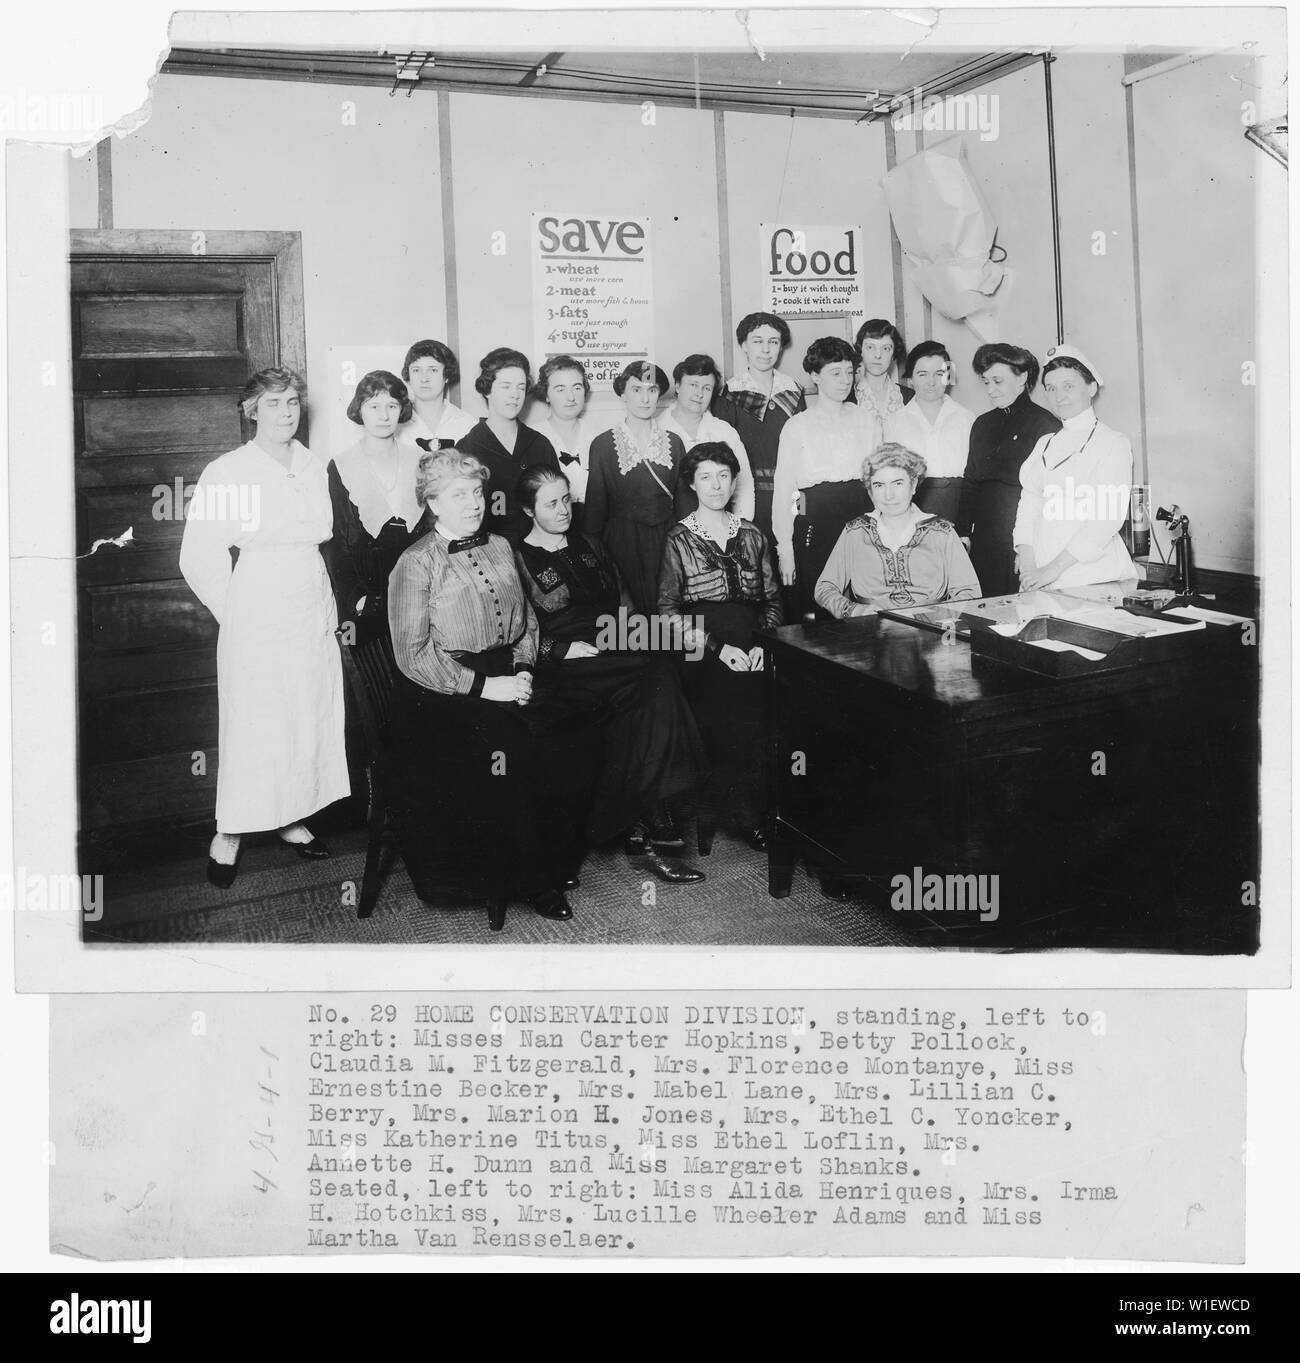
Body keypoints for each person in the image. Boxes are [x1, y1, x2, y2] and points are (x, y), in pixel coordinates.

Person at [385, 449, 579, 928]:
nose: (474, 503)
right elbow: (412, 655)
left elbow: (527, 621)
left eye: (476, 492)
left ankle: (551, 858)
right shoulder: (415, 563)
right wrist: (484, 687)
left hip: (506, 671)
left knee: (572, 723)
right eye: (459, 495)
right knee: (510, 746)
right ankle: (528, 879)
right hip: (441, 690)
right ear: (432, 503)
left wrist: (524, 669)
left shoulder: (498, 544)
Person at [179, 367, 348, 887]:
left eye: (293, 401)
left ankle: (291, 817)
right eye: (274, 404)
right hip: (256, 605)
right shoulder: (229, 471)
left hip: (309, 599)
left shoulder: (312, 464)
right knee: (255, 723)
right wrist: (240, 613)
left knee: (304, 714)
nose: (287, 412)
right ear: (252, 411)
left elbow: (322, 536)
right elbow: (199, 555)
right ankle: (229, 833)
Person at [514, 466, 706, 884]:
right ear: (529, 509)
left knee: (661, 675)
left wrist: (638, 637)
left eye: (566, 499)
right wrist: (562, 649)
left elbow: (626, 608)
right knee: (657, 677)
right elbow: (517, 631)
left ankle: (649, 828)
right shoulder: (516, 559)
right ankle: (656, 830)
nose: (564, 510)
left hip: (614, 648)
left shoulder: (592, 544)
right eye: (551, 503)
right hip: (565, 663)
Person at [658, 442, 782, 854]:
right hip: (700, 645)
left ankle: (762, 806)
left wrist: (765, 642)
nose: (715, 485)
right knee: (731, 707)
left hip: (753, 639)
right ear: (692, 484)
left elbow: (773, 599)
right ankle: (742, 813)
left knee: (774, 706)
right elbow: (668, 611)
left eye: (723, 476)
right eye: (706, 476)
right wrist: (718, 649)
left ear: (734, 482)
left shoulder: (752, 534)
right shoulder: (678, 538)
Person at [1013, 343, 1137, 591]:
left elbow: (1106, 521)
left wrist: (1050, 571)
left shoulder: (1112, 443)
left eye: (1068, 386)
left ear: (1091, 387)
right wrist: (1027, 559)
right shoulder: (1045, 444)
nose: (1059, 396)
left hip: (1091, 577)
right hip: (1039, 575)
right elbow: (1028, 506)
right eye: (1051, 388)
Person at [772, 337, 878, 618]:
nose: (845, 380)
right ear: (815, 376)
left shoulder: (865, 419)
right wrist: (787, 548)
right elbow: (789, 494)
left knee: (863, 605)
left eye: (849, 372)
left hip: (861, 521)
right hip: (815, 521)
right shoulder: (797, 426)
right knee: (819, 609)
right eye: (835, 373)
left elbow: (877, 480)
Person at [815, 443, 981, 618]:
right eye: (879, 485)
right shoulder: (855, 531)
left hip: (930, 634)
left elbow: (969, 593)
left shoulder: (942, 532)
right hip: (869, 634)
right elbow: (824, 588)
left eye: (898, 483)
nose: (888, 495)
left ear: (914, 484)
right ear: (870, 491)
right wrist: (852, 609)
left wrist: (927, 617)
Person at [324, 369, 426, 641]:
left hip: (418, 587)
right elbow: (338, 541)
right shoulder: (342, 464)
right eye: (374, 406)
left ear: (401, 410)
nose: (384, 416)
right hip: (367, 590)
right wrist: (357, 596)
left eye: (392, 406)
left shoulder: (420, 459)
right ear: (360, 410)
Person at [584, 360, 691, 615]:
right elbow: (595, 512)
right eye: (636, 389)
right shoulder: (602, 445)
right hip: (621, 543)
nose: (645, 398)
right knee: (629, 619)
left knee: (670, 613)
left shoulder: (674, 443)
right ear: (622, 394)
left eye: (652, 390)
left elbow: (686, 505)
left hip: (667, 540)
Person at [955, 342, 1061, 597]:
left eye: (997, 381)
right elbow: (970, 482)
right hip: (983, 539)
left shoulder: (1046, 425)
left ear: (1022, 377)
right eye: (986, 382)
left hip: (1021, 541)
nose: (990, 390)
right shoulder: (981, 424)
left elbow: (1050, 499)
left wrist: (1028, 550)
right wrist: (961, 534)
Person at [712, 311, 806, 548]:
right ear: (744, 345)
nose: (766, 350)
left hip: (792, 493)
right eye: (757, 341)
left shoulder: (793, 391)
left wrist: (803, 508)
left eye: (773, 342)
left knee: (796, 552)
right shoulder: (729, 394)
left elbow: (805, 455)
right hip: (750, 498)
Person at [456, 347, 559, 542]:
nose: (515, 394)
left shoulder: (539, 444)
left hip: (538, 549)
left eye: (521, 387)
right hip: (488, 553)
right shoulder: (466, 448)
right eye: (506, 386)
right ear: (487, 390)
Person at [884, 340, 974, 524]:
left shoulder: (968, 419)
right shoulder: (894, 422)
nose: (931, 382)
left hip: (958, 509)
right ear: (910, 378)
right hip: (910, 511)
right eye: (922, 374)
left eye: (939, 374)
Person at [659, 354, 754, 521]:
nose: (699, 394)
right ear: (678, 386)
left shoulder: (724, 431)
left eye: (707, 388)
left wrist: (741, 531)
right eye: (693, 385)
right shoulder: (657, 429)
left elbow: (744, 487)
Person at [528, 355, 596, 529]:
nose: (571, 397)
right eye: (560, 389)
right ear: (547, 395)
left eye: (577, 387)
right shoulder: (532, 437)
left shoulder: (598, 436)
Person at [397, 339, 476, 451]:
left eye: (433, 370)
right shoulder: (395, 425)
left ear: (447, 375)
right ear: (408, 375)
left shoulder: (468, 425)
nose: (424, 378)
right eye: (416, 370)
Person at [853, 318, 911, 425]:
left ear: (893, 355)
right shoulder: (847, 396)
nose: (877, 355)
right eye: (870, 347)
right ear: (861, 351)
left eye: (886, 349)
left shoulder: (909, 397)